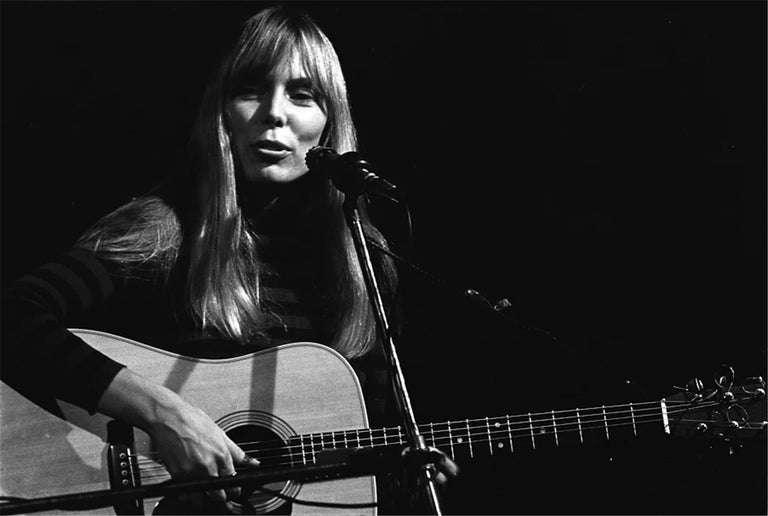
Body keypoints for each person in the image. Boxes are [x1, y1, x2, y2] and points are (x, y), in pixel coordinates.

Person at [1, 5, 455, 513]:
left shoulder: (362, 265)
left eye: (303, 95)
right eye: (251, 90)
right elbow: (12, 317)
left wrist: (399, 471)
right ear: (222, 113)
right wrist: (165, 415)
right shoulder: (163, 230)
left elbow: (351, 459)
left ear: (329, 126)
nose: (275, 113)